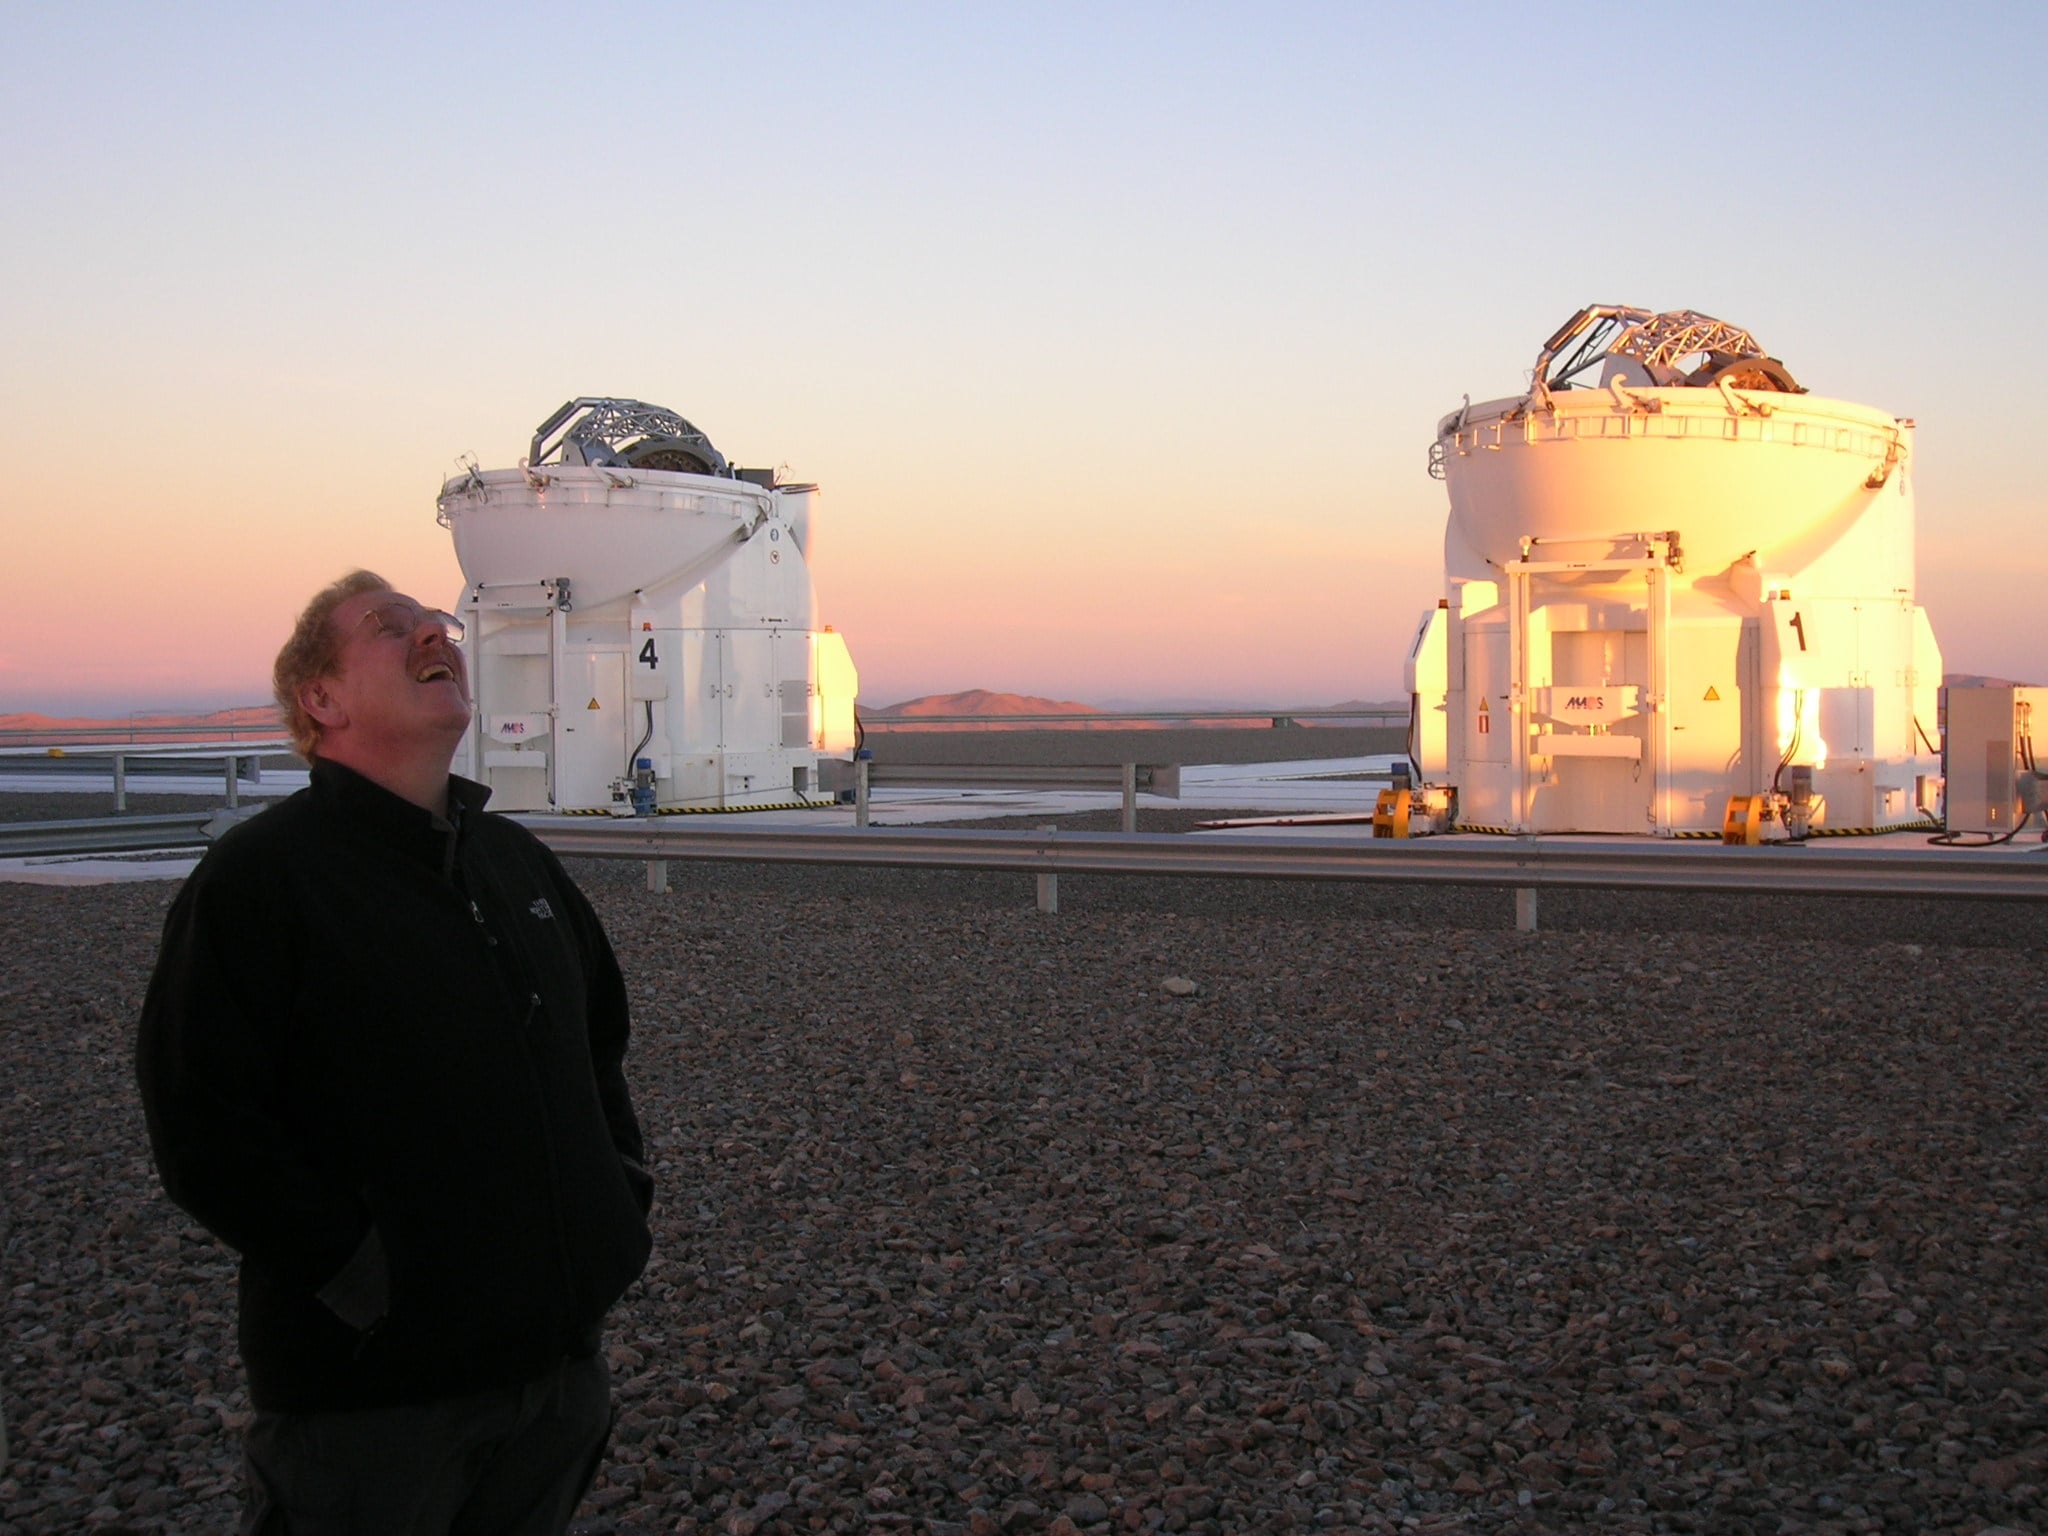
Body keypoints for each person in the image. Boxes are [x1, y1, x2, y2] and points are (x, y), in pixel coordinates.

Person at [137, 570, 654, 1535]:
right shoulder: (263, 880)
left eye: (439, 624)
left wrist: (616, 1201)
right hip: (375, 1406)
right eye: (390, 628)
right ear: (319, 701)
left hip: (554, 1379)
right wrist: (365, 1280)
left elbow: (598, 1046)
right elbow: (203, 1125)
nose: (435, 637)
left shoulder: (515, 862)